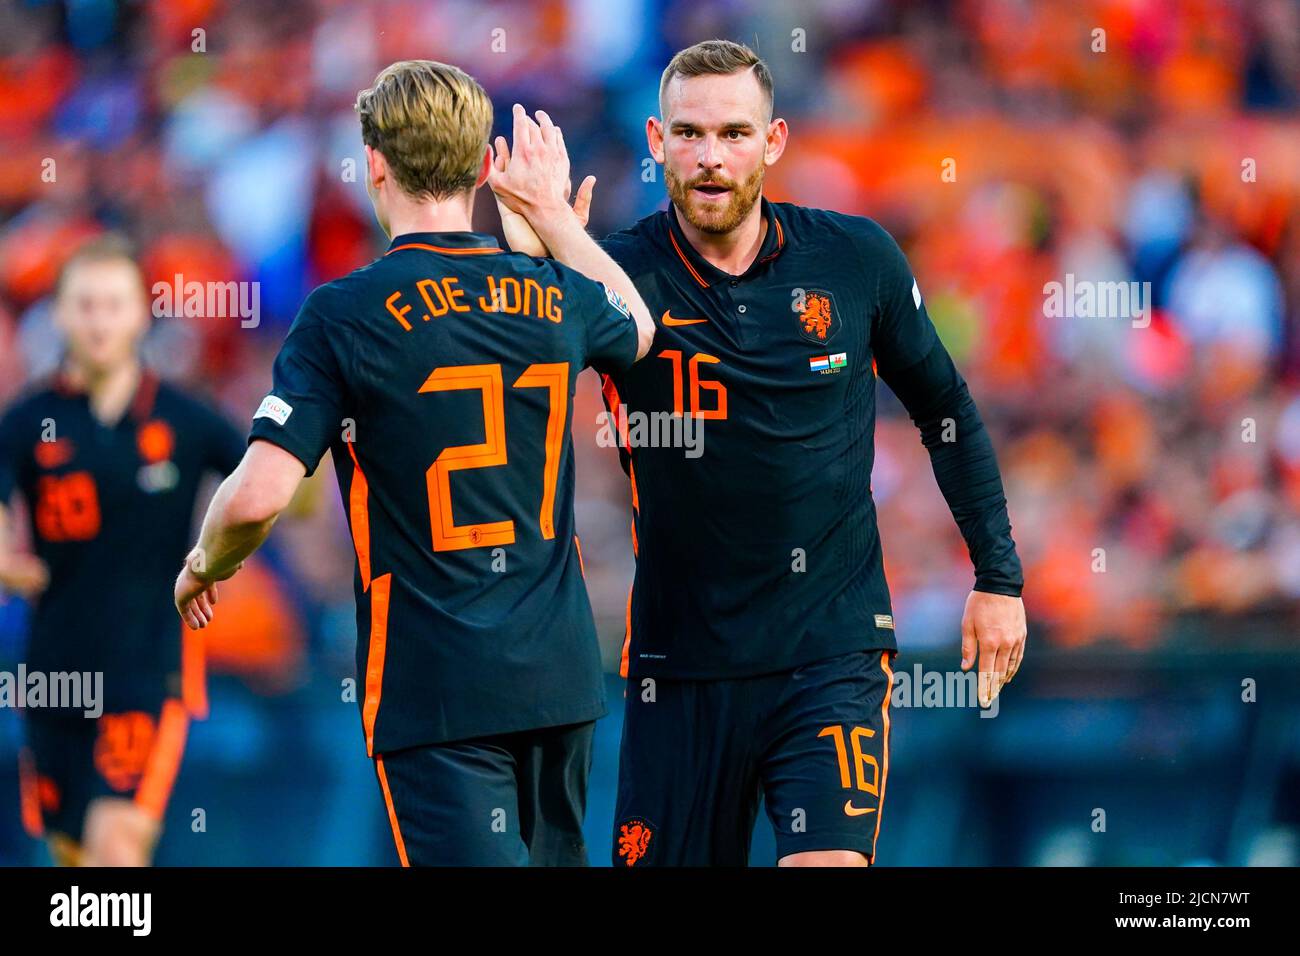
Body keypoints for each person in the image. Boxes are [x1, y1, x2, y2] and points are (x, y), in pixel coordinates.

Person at [499, 39, 1028, 867]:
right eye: (691, 133)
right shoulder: (613, 270)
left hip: (831, 651)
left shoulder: (854, 259)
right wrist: (531, 254)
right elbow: (505, 385)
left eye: (735, 133)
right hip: (681, 665)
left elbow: (946, 409)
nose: (712, 158)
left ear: (774, 140)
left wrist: (997, 577)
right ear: (655, 138)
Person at [174, 60, 654, 866]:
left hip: (434, 684)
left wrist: (204, 561)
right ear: (482, 168)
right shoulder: (549, 288)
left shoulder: (344, 314)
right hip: (558, 673)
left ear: (376, 164)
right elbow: (637, 330)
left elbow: (258, 498)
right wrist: (558, 227)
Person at [0, 235, 245, 865]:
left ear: (141, 313)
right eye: (84, 305)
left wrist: (228, 548)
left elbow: (263, 479)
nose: (99, 321)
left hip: (145, 671)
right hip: (54, 676)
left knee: (116, 850)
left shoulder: (185, 419)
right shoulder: (29, 420)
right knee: (72, 857)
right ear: (58, 313)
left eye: (114, 304)